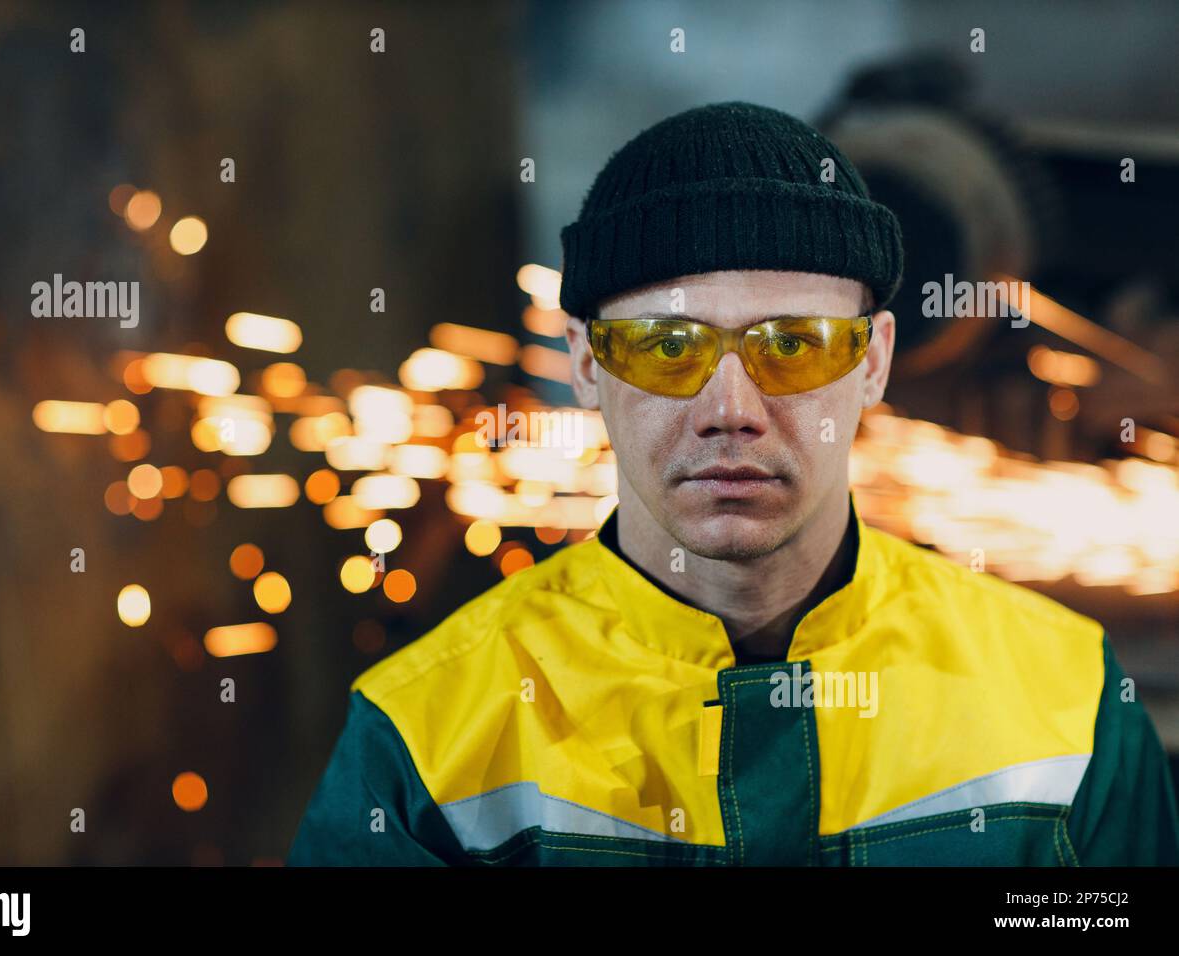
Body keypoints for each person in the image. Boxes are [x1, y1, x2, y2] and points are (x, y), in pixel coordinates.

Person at [287, 101, 1179, 866]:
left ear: (874, 365)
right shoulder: (420, 740)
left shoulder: (1071, 703)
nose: (731, 411)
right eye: (667, 346)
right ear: (586, 368)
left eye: (791, 344)